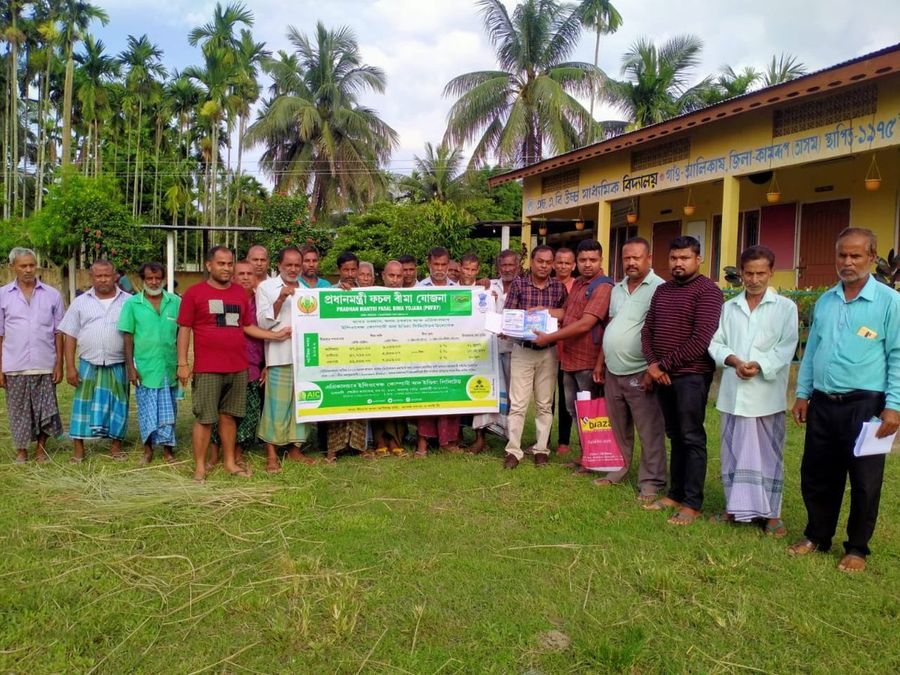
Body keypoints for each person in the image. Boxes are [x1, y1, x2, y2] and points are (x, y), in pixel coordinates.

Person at [788, 228, 900, 573]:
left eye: (855, 256)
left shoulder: (889, 302)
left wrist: (894, 405)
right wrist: (803, 393)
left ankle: (857, 548)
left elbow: (897, 354)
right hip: (823, 402)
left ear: (871, 257)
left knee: (865, 480)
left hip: (866, 405)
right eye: (842, 255)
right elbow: (811, 353)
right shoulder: (825, 301)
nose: (847, 262)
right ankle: (817, 536)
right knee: (818, 473)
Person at [177, 246, 290, 482]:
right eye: (221, 264)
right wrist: (182, 364)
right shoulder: (194, 293)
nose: (226, 268)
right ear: (209, 265)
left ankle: (229, 462)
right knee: (205, 418)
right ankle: (199, 467)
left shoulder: (239, 294)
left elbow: (247, 327)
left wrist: (276, 336)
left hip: (238, 367)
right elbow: (185, 328)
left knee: (229, 416)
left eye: (229, 264)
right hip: (208, 368)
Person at [708, 246, 798, 535]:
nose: (755, 279)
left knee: (769, 455)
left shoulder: (785, 308)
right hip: (734, 394)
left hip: (767, 395)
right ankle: (735, 508)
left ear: (771, 272)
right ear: (741, 273)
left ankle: (772, 514)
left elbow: (786, 348)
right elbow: (716, 343)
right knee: (734, 452)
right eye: (749, 273)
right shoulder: (729, 308)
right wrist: (733, 361)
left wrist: (758, 365)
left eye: (761, 273)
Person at [641, 236, 722, 525]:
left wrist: (663, 364)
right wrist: (652, 365)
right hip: (662, 377)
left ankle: (691, 502)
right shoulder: (662, 291)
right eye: (674, 258)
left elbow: (701, 340)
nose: (678, 263)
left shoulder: (709, 292)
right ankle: (674, 493)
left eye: (685, 258)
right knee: (674, 435)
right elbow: (647, 329)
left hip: (691, 377)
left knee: (692, 437)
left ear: (698, 259)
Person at [533, 240, 612, 474]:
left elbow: (585, 324)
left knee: (592, 412)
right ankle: (586, 455)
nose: (587, 264)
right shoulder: (579, 283)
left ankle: (596, 457)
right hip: (570, 359)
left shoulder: (602, 287)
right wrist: (543, 311)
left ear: (601, 261)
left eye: (593, 260)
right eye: (583, 260)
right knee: (574, 410)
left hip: (588, 360)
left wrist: (550, 337)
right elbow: (567, 313)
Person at [598, 238, 667, 503]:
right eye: (627, 258)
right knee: (618, 427)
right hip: (613, 370)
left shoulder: (659, 288)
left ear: (648, 258)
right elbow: (612, 326)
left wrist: (654, 368)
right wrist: (600, 363)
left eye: (637, 257)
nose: (631, 262)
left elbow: (661, 332)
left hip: (641, 371)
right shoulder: (617, 288)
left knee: (649, 430)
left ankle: (651, 481)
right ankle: (617, 470)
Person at [502, 245, 567, 469]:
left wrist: (545, 310)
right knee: (518, 404)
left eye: (549, 262)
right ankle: (513, 450)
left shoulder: (558, 287)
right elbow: (508, 315)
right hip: (522, 350)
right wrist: (510, 326)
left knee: (544, 404)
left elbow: (566, 315)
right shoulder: (519, 284)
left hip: (548, 352)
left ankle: (541, 450)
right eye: (540, 261)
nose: (544, 266)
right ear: (531, 261)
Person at [59, 260, 130, 462]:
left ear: (115, 276)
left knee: (119, 405)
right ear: (92, 278)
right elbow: (70, 335)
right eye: (98, 276)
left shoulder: (128, 301)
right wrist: (70, 367)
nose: (103, 279)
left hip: (118, 363)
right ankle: (78, 451)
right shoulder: (80, 302)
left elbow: (134, 335)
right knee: (82, 405)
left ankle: (116, 448)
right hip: (88, 363)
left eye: (107, 275)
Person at [0, 247, 64, 463]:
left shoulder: (52, 295)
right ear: (13, 267)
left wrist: (59, 365)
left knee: (45, 409)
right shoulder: (2, 296)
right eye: (23, 266)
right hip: (14, 364)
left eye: (31, 265)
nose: (28, 270)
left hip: (44, 362)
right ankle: (21, 450)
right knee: (18, 410)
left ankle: (41, 449)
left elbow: (59, 333)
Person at [256, 247, 314, 468]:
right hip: (279, 356)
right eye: (288, 265)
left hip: (305, 358)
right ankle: (272, 454)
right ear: (279, 265)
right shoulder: (267, 287)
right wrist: (280, 299)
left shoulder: (307, 290)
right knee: (276, 407)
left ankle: (294, 450)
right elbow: (263, 323)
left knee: (303, 406)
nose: (293, 269)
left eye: (297, 265)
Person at [118, 262, 181, 465]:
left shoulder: (175, 302)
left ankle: (168, 450)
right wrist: (131, 368)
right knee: (147, 411)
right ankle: (147, 450)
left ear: (163, 280)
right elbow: (127, 337)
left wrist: (182, 363)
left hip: (168, 367)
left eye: (157, 278)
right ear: (142, 280)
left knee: (169, 410)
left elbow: (182, 335)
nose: (153, 282)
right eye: (149, 279)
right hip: (145, 368)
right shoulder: (133, 304)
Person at [209, 260, 269, 469]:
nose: (245, 277)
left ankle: (238, 453)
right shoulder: (221, 298)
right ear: (233, 277)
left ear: (256, 279)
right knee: (221, 413)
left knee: (248, 414)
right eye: (240, 273)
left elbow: (269, 332)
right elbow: (214, 327)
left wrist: (267, 364)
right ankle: (215, 455)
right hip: (226, 365)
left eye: (249, 274)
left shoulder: (264, 302)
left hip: (253, 366)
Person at [416, 246, 461, 455]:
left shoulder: (458, 290)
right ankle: (422, 442)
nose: (440, 269)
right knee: (426, 395)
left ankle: (448, 441)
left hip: (450, 351)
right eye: (436, 264)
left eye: (444, 264)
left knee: (450, 393)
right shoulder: (418, 290)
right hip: (425, 351)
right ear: (429, 264)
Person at [371, 260, 408, 456]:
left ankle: (395, 440)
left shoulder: (412, 296)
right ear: (383, 276)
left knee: (399, 396)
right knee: (379, 397)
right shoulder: (373, 295)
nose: (394, 280)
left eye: (398, 276)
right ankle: (379, 440)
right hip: (378, 354)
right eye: (391, 276)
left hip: (401, 356)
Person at [551, 247, 576, 455]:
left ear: (573, 265)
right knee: (546, 397)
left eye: (567, 263)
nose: (563, 266)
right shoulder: (548, 285)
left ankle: (564, 442)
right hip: (549, 348)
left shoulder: (577, 287)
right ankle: (544, 438)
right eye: (559, 262)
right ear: (553, 264)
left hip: (569, 349)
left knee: (566, 397)